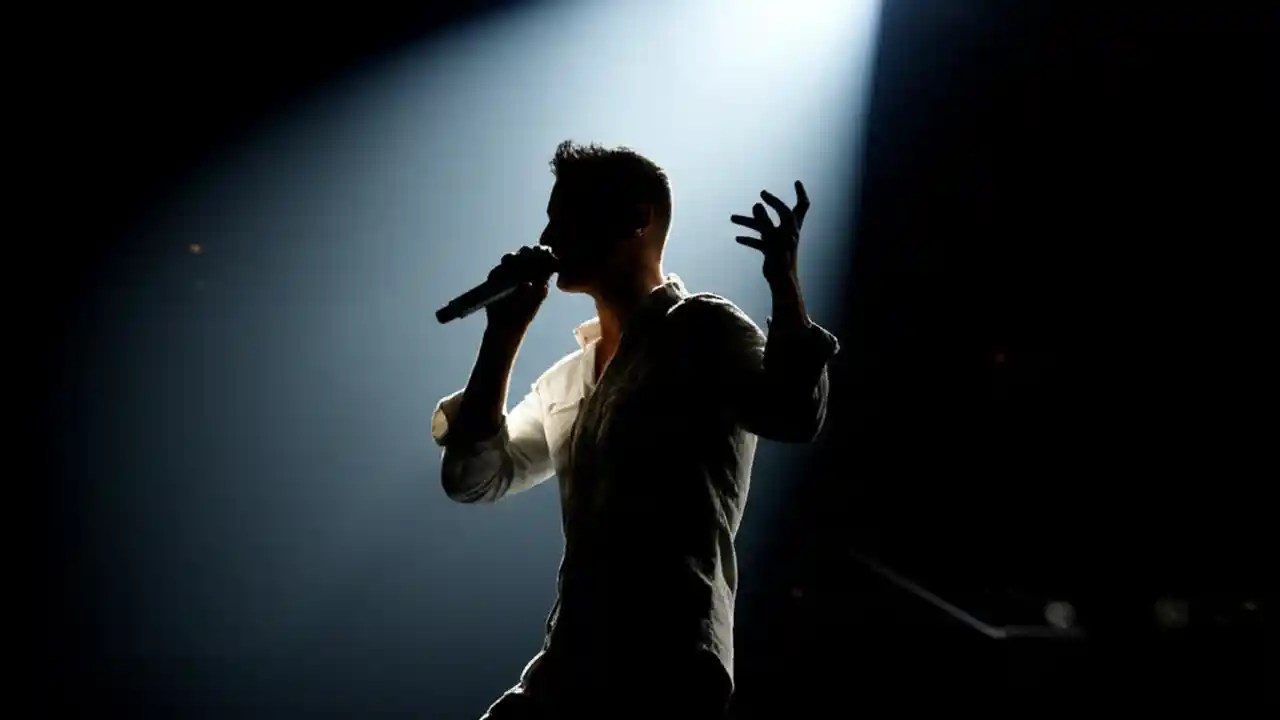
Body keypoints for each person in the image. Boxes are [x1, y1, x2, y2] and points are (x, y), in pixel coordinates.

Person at [431, 140, 840, 719]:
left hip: (666, 663)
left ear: (636, 220)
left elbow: (795, 413)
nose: (548, 236)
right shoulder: (567, 380)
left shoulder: (701, 327)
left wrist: (784, 283)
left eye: (567, 216)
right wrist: (503, 333)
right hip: (569, 666)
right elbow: (472, 478)